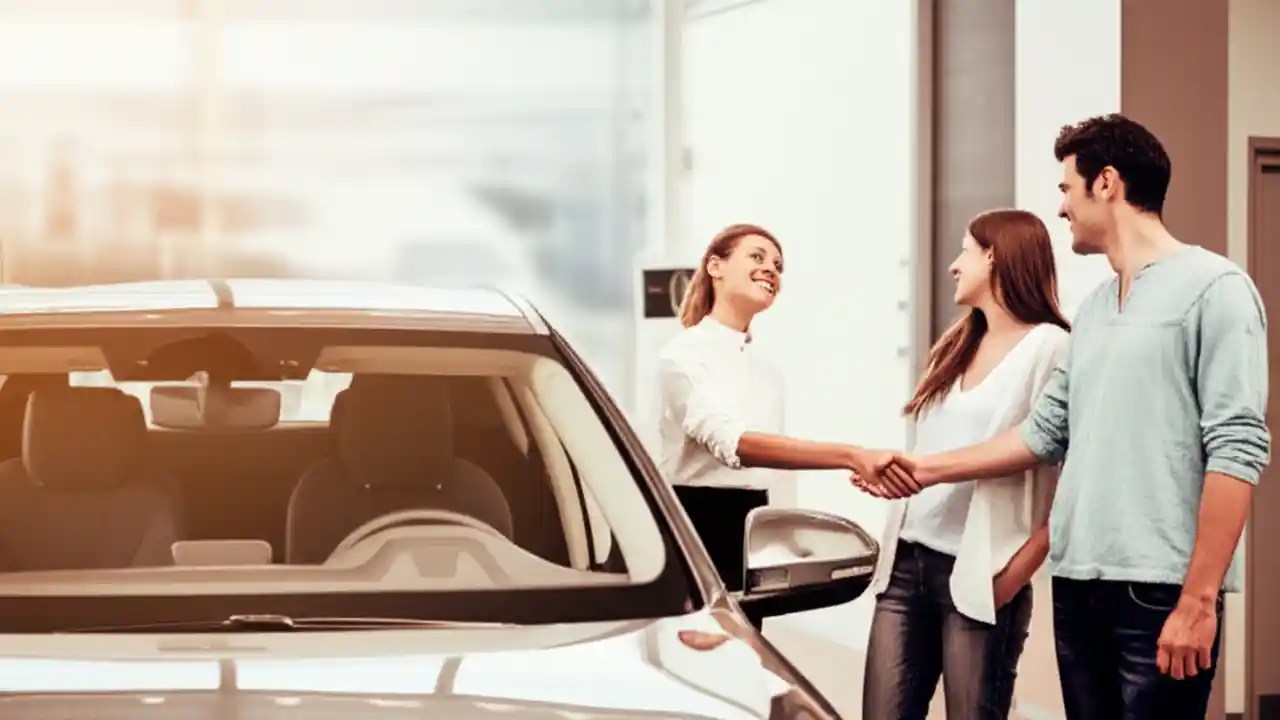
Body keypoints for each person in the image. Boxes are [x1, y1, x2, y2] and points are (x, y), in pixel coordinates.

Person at [860, 114, 1270, 719]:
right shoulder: (1099, 306)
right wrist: (920, 470)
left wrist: (1199, 601)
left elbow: (1237, 448)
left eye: (1065, 189)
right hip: (1078, 587)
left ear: (1106, 183)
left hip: (1157, 591)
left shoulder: (1217, 289)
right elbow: (1043, 434)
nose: (1060, 210)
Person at [859, 209, 1070, 720]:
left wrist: (1016, 572)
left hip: (978, 572)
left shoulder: (1051, 346)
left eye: (965, 251)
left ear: (995, 255)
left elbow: (1070, 472)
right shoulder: (956, 344)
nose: (955, 265)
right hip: (907, 569)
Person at [658, 222, 885, 594]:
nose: (771, 270)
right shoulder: (680, 356)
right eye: (757, 257)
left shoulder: (767, 369)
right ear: (716, 267)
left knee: (746, 645)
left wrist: (787, 539)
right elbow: (734, 445)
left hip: (755, 522)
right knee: (703, 645)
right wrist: (851, 455)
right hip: (695, 522)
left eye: (778, 266)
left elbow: (775, 473)